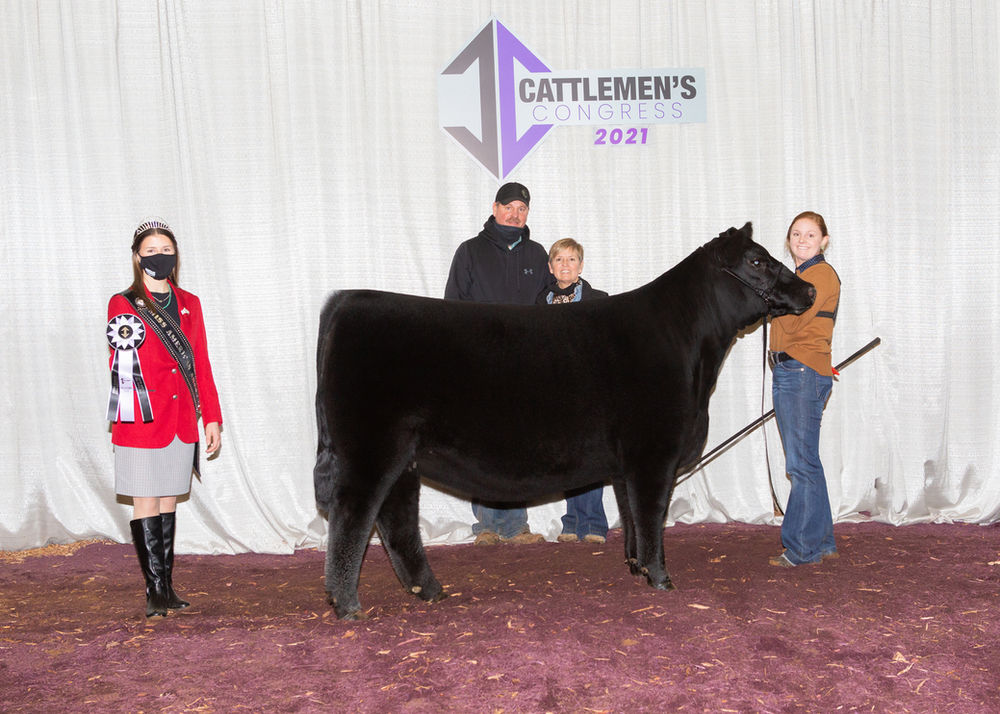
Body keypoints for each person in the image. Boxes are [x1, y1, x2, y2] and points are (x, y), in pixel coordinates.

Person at [106, 219, 223, 616]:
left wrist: (212, 417)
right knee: (146, 499)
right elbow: (124, 362)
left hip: (182, 417)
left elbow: (201, 363)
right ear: (138, 257)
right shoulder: (123, 303)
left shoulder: (190, 301)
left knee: (169, 499)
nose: (160, 257)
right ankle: (154, 589)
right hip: (142, 417)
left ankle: (168, 586)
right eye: (151, 251)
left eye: (166, 250)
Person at [445, 182, 549, 545]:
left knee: (518, 444)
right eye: (509, 206)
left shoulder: (538, 256)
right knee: (484, 445)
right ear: (494, 207)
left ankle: (516, 526)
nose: (514, 213)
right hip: (479, 361)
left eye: (521, 208)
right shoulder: (469, 251)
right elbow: (452, 306)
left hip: (523, 364)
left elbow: (547, 308)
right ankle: (487, 526)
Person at [767, 211, 841, 567]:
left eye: (810, 235)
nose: (802, 240)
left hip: (799, 370)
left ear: (823, 241)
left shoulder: (820, 275)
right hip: (799, 370)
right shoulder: (799, 276)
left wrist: (766, 303)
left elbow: (798, 316)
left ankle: (801, 547)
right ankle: (822, 540)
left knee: (800, 464)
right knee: (807, 460)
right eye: (796, 234)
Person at [536, 238, 610, 544]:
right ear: (550, 267)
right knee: (568, 457)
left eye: (571, 260)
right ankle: (572, 521)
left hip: (590, 389)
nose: (565, 265)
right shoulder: (540, 303)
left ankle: (594, 524)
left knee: (592, 455)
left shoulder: (600, 300)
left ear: (581, 265)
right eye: (559, 260)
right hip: (556, 390)